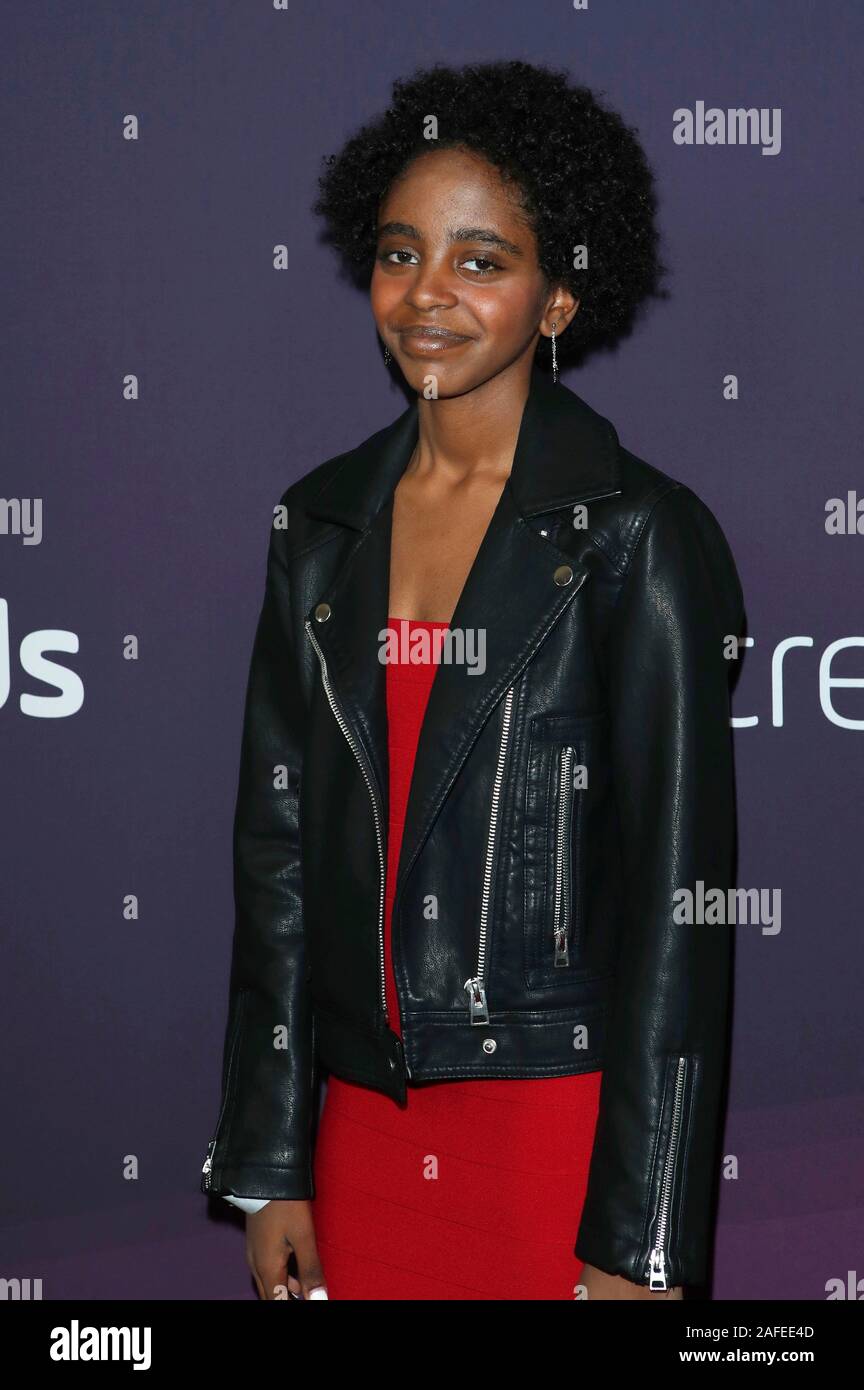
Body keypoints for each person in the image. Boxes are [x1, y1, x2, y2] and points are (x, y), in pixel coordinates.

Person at [200, 59, 744, 1301]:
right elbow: (278, 860)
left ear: (556, 300)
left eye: (481, 261)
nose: (427, 295)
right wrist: (271, 1157)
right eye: (401, 255)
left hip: (552, 1130)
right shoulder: (322, 525)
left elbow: (682, 908)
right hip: (359, 1128)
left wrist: (642, 1230)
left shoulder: (633, 536)